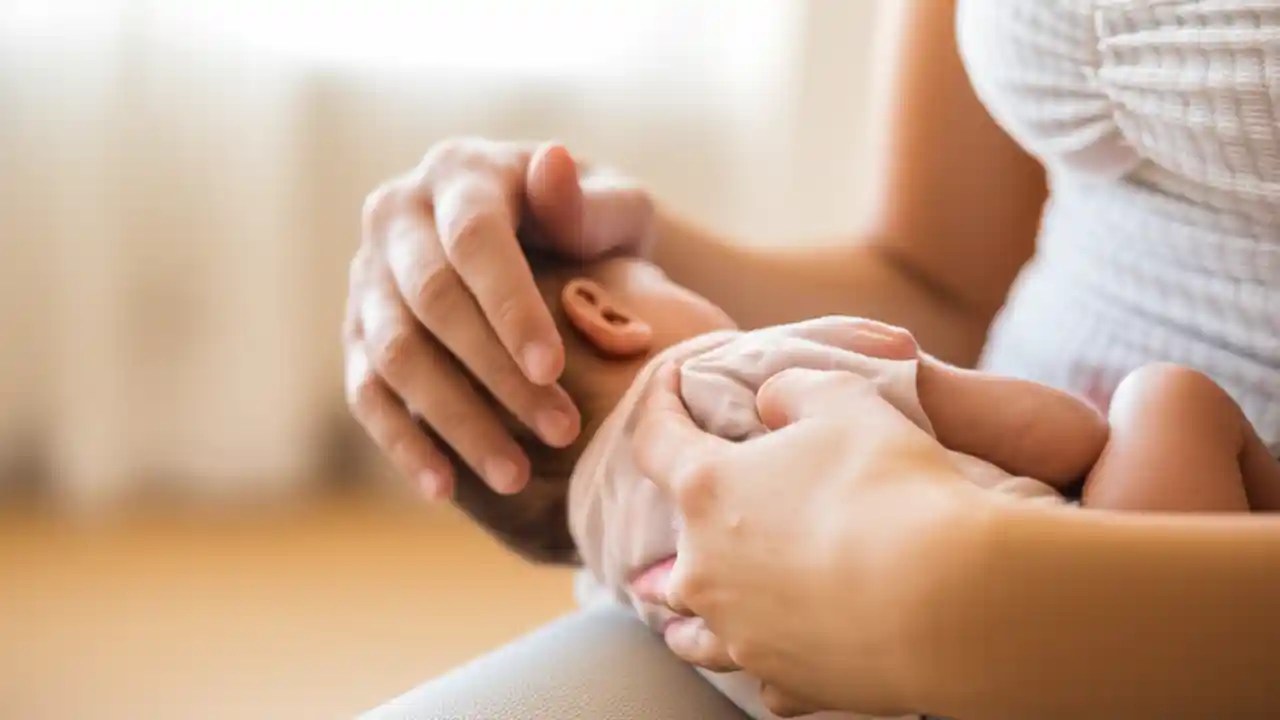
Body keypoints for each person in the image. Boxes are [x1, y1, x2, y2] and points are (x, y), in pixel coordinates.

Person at [344, 0, 1280, 716]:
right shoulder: (755, 369)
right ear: (601, 311)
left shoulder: (613, 559)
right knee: (1167, 402)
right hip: (1064, 550)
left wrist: (971, 584)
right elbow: (1055, 422)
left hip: (1115, 622)